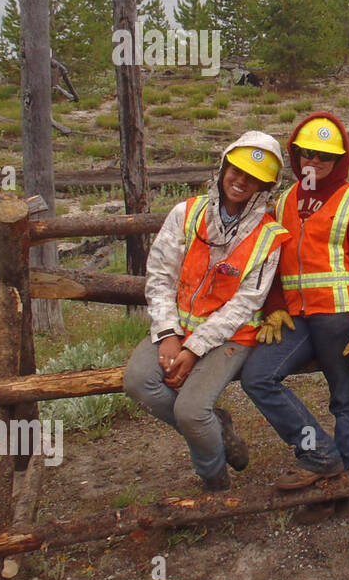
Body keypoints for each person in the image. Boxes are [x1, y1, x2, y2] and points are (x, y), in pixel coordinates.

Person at [123, 132, 289, 491]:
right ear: (223, 166)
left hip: (232, 335)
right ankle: (218, 425)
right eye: (237, 170)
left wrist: (193, 348)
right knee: (139, 382)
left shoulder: (269, 236)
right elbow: (159, 275)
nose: (241, 181)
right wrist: (168, 334)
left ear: (266, 186)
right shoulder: (187, 213)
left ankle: (214, 481)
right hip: (177, 328)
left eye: (254, 177)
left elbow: (246, 304)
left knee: (189, 411)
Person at [240, 113, 349, 519]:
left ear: (341, 160)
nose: (313, 163)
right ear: (294, 154)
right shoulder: (284, 201)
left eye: (324, 157)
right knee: (258, 377)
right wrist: (273, 307)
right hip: (296, 317)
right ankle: (320, 453)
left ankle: (343, 487)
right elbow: (271, 262)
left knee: (346, 398)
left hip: (338, 317)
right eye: (306, 155)